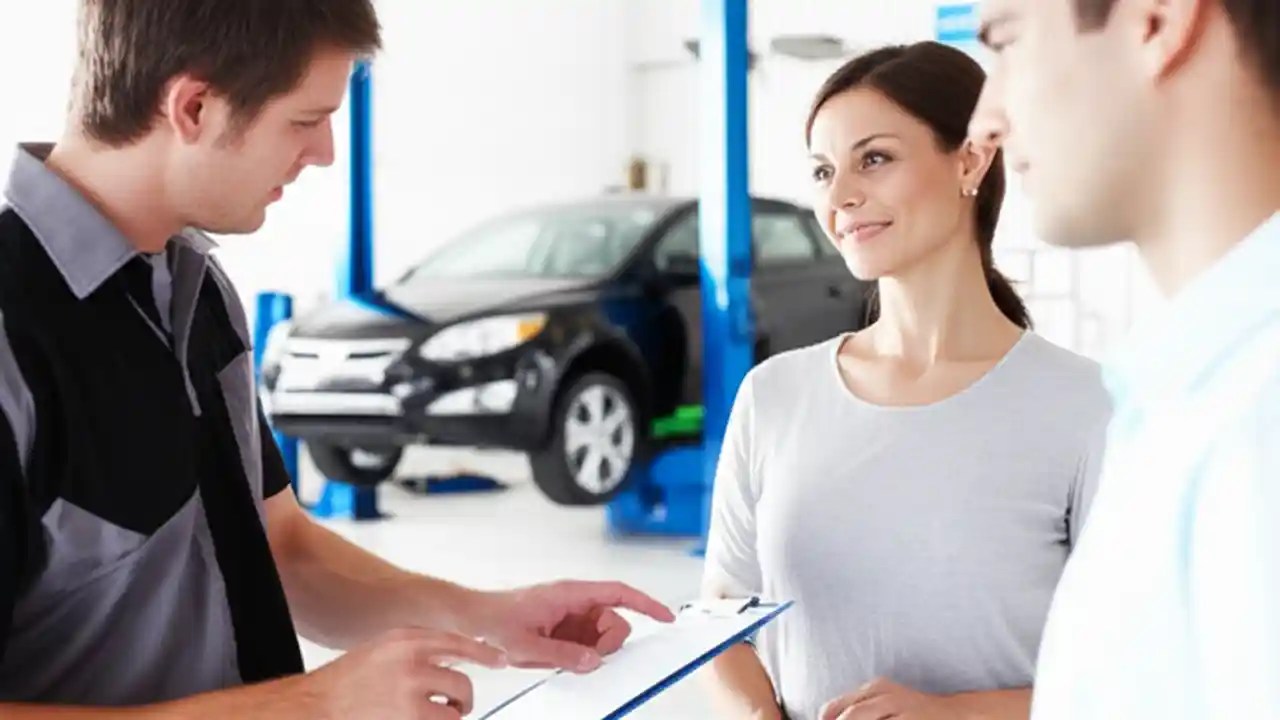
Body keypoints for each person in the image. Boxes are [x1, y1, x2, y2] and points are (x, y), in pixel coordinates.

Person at [0, 1, 674, 718]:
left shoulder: (196, 290)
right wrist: (314, 705)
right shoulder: (13, 333)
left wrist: (489, 617)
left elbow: (282, 548)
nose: (324, 150)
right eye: (303, 119)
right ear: (193, 107)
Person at [701, 42, 1112, 720]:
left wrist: (954, 715)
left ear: (972, 159)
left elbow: (1133, 675)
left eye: (875, 159)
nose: (840, 198)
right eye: (823, 171)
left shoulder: (1086, 408)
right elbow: (720, 613)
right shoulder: (774, 397)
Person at [968, 0, 1280, 717]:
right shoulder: (1195, 395)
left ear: (1156, 19)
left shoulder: (1258, 422)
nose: (986, 118)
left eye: (1006, 40)